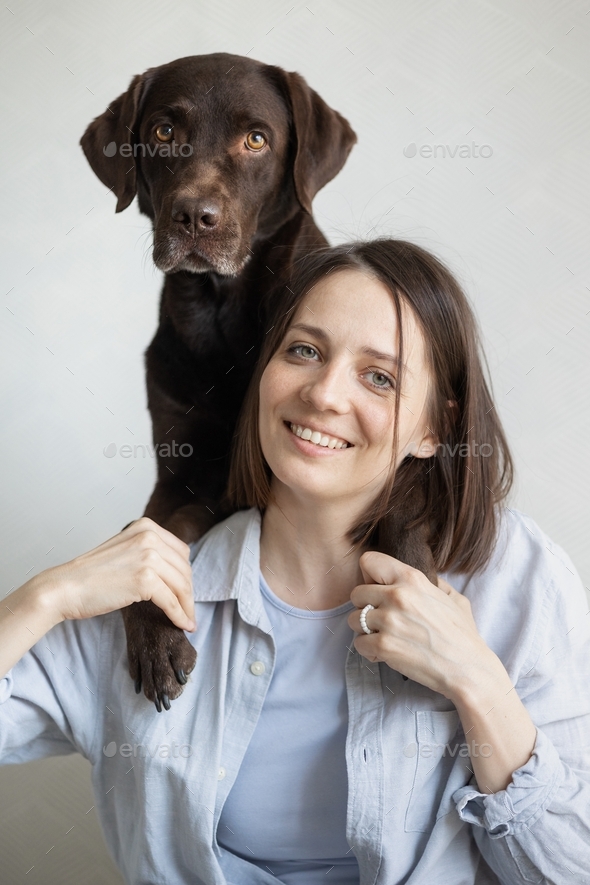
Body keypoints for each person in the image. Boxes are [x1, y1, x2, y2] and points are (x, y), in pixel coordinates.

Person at [1, 239, 589, 885]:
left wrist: (478, 682)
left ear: (435, 428)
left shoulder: (515, 578)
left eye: (380, 376)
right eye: (304, 350)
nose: (325, 393)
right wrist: (43, 598)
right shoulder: (150, 590)